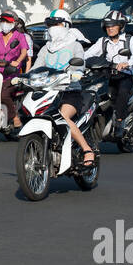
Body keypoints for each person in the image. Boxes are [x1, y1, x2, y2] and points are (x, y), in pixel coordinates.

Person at [33, 10, 95, 167]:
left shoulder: (75, 45)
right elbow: (36, 67)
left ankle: (87, 150)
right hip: (48, 91)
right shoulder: (45, 48)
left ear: (66, 25)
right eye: (50, 24)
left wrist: (76, 74)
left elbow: (80, 64)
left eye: (57, 24)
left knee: (63, 116)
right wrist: (24, 77)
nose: (53, 27)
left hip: (70, 91)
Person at [84, 10, 133, 141]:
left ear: (120, 26)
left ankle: (119, 121)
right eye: (107, 26)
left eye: (113, 25)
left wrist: (127, 63)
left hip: (124, 75)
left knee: (122, 92)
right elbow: (88, 54)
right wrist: (79, 61)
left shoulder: (130, 40)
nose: (110, 28)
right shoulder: (103, 41)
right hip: (106, 74)